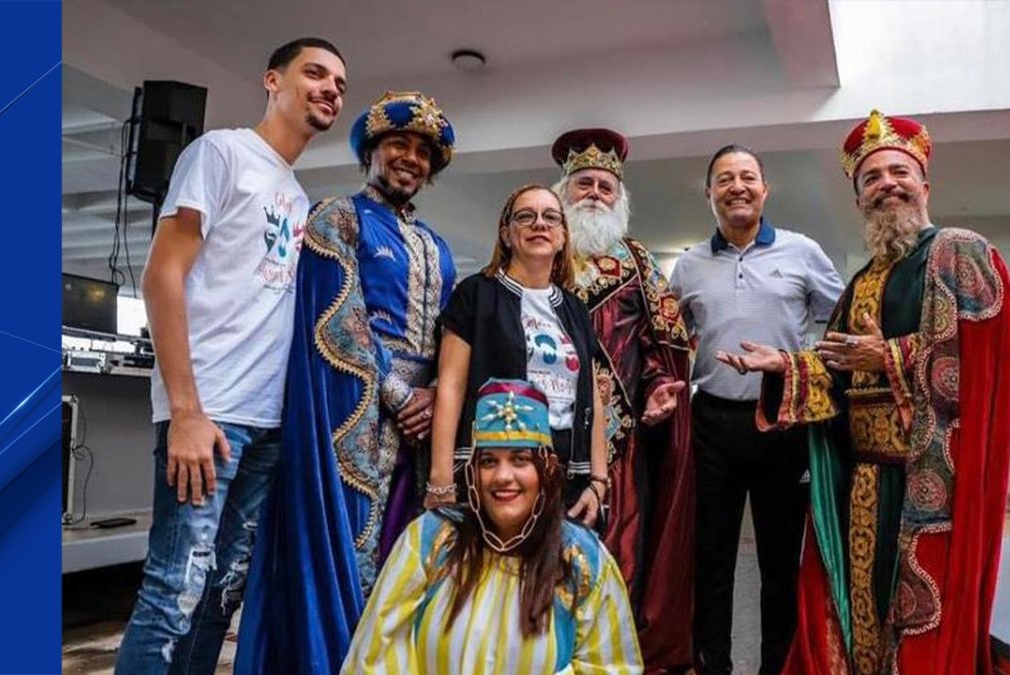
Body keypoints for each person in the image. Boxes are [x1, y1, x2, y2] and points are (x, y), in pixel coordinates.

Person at [716, 110, 1010, 675]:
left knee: (919, 614)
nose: (887, 185)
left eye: (898, 172)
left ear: (924, 185)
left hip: (933, 482)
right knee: (862, 608)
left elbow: (982, 367)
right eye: (871, 178)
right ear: (859, 200)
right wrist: (785, 363)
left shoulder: (960, 254)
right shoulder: (862, 280)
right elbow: (834, 371)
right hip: (863, 483)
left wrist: (891, 355)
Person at [113, 37, 346, 675]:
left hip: (266, 423)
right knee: (173, 590)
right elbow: (162, 276)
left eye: (339, 84)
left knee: (222, 593)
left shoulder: (297, 197)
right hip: (208, 412)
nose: (329, 88)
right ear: (273, 80)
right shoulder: (220, 153)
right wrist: (185, 408)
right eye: (315, 73)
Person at [234, 91, 458, 675]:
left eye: (421, 152)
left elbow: (449, 339)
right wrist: (398, 393)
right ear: (372, 152)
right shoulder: (339, 216)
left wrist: (434, 396)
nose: (410, 158)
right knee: (349, 546)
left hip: (421, 426)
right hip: (349, 412)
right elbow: (337, 315)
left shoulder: (439, 247)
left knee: (406, 555)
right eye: (398, 145)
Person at [669, 144, 844, 674]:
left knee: (779, 561)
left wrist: (794, 363)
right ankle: (712, 666)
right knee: (713, 559)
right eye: (724, 179)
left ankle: (779, 667)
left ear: (765, 189)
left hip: (784, 424)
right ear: (709, 194)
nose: (737, 187)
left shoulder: (802, 252)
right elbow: (673, 339)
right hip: (712, 424)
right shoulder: (689, 265)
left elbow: (841, 326)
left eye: (747, 177)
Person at [342, 379, 643, 674]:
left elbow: (610, 666)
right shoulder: (431, 541)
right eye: (488, 461)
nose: (502, 476)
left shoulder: (581, 559)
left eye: (520, 459)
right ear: (473, 473)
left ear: (546, 469)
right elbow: (377, 656)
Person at [550, 128, 694, 673]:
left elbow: (663, 345)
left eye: (605, 186)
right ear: (565, 191)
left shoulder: (639, 263)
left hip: (621, 442)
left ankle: (611, 658)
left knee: (618, 553)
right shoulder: (542, 250)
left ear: (620, 197)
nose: (593, 193)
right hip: (546, 434)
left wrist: (659, 387)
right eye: (583, 183)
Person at [428, 184, 609, 529]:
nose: (539, 224)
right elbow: (450, 386)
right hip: (496, 469)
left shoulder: (575, 309)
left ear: (562, 237)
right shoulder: (476, 294)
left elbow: (593, 402)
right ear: (507, 234)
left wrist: (598, 480)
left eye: (550, 218)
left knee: (557, 576)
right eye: (525, 216)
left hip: (568, 472)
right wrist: (441, 477)